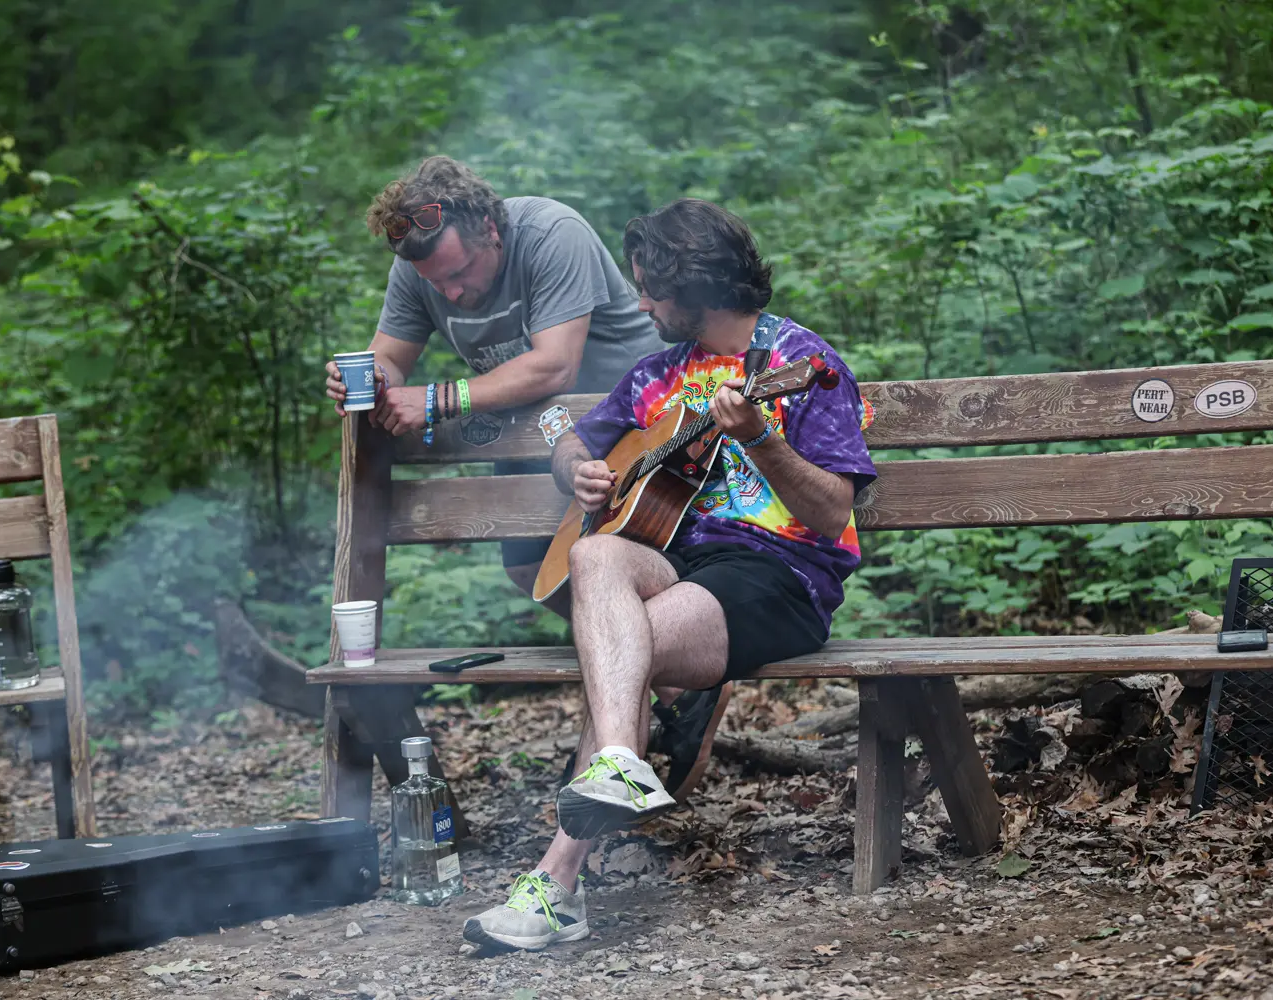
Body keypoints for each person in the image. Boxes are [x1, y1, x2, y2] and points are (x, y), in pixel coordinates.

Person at [461, 198, 877, 952]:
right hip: (677, 564)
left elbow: (831, 511)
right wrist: (581, 473)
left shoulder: (803, 366)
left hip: (777, 576)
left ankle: (557, 882)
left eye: (652, 290)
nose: (642, 303)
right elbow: (576, 442)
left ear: (700, 285)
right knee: (592, 553)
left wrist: (762, 443)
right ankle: (623, 762)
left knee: (621, 653)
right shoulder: (657, 376)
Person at [325, 156, 730, 796]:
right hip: (531, 429)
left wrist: (434, 400)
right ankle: (674, 685)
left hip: (628, 427)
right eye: (438, 281)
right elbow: (389, 358)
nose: (451, 293)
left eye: (460, 274)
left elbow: (553, 368)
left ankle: (665, 681)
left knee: (611, 568)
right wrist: (371, 384)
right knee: (528, 570)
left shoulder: (550, 233)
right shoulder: (417, 269)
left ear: (491, 226)